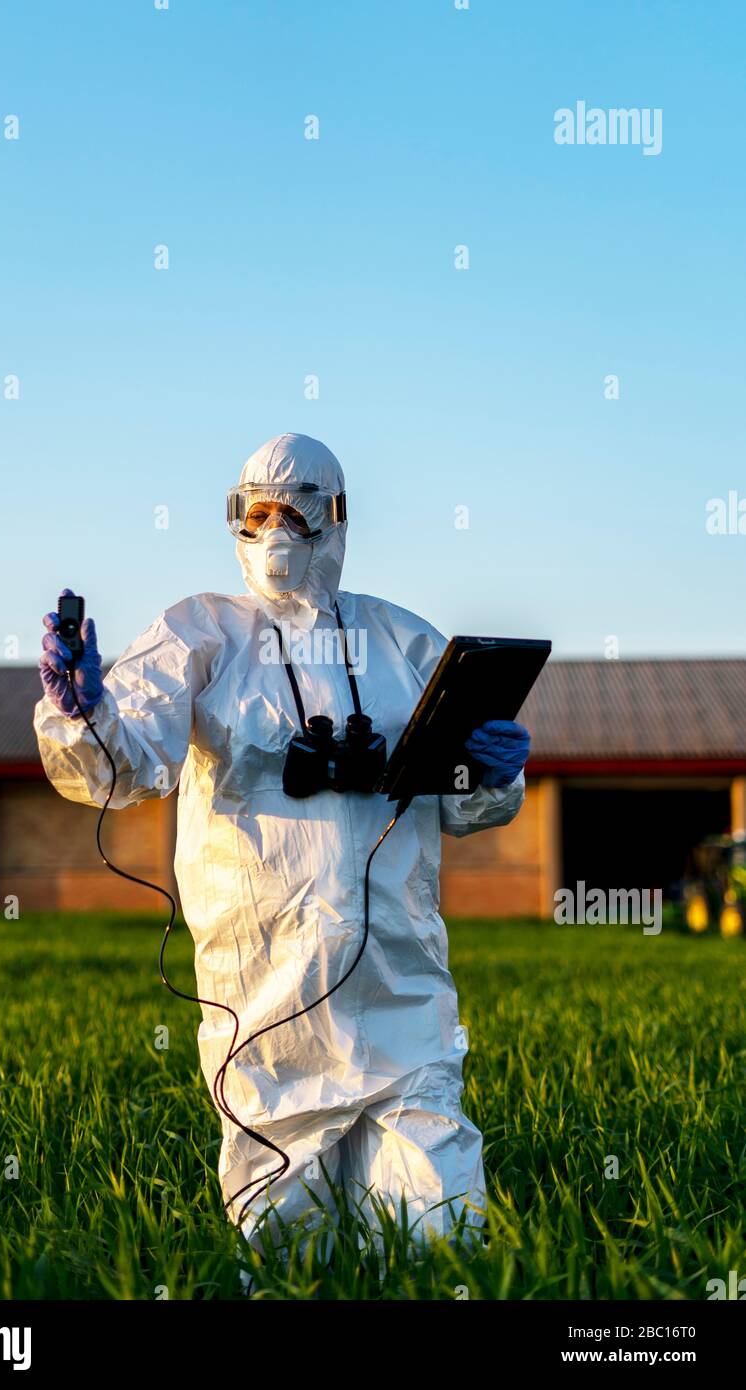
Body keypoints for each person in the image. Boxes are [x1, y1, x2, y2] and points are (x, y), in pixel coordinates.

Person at [34, 432, 530, 1277]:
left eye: (298, 509)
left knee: (445, 1246)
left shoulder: (400, 640)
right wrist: (81, 711)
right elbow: (128, 765)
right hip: (264, 985)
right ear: (233, 518)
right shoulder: (199, 632)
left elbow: (462, 806)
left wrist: (488, 771)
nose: (277, 531)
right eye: (256, 512)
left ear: (334, 521)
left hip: (397, 982)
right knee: (289, 1258)